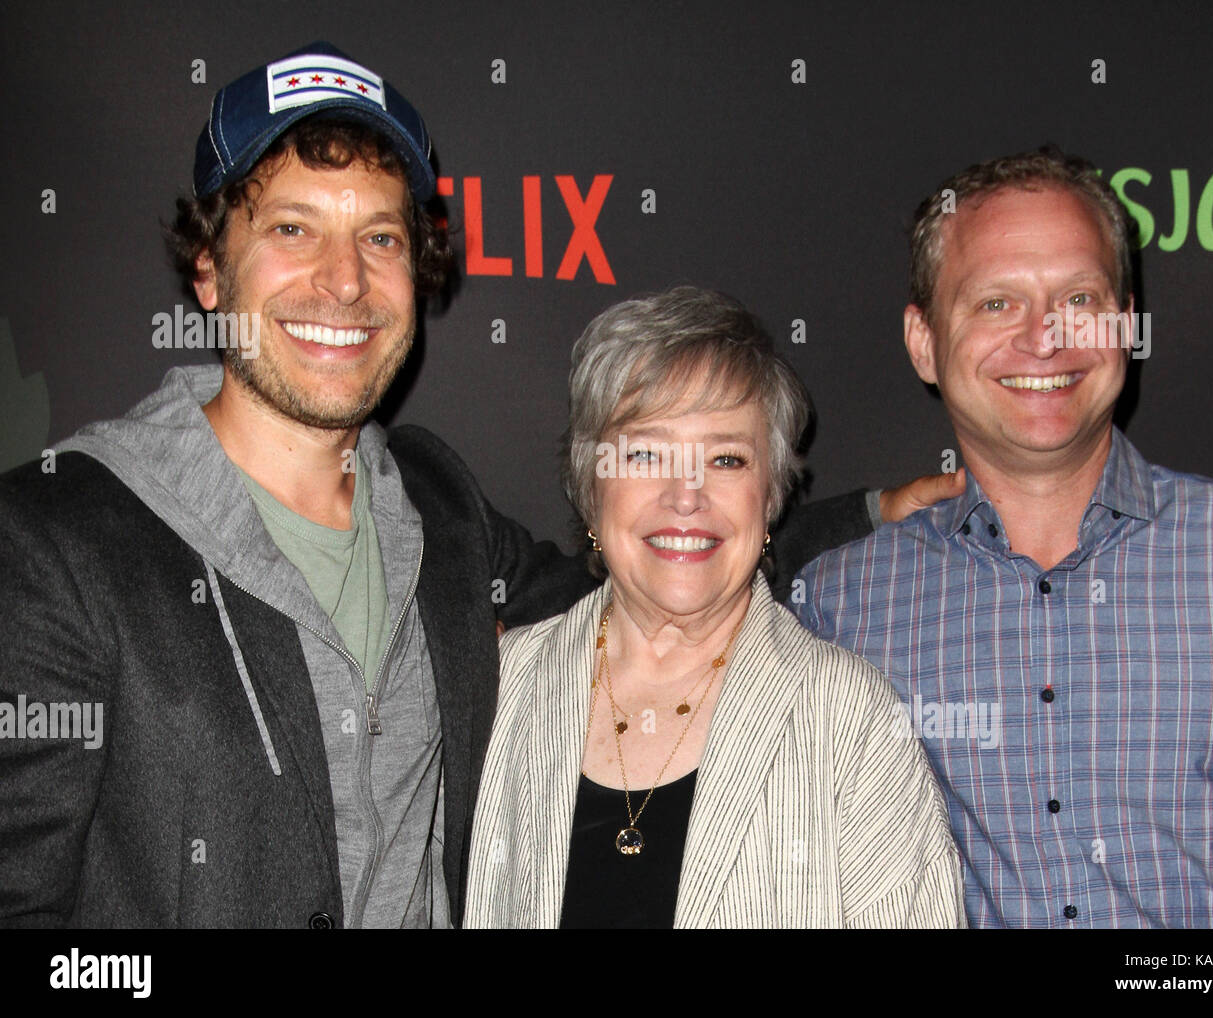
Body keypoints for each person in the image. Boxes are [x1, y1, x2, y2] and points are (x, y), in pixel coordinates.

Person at [0, 43, 956, 929]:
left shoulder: (435, 508)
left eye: (379, 238)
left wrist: (864, 516)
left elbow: (659, 569)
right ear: (209, 269)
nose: (342, 282)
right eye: (293, 227)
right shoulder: (57, 540)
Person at [793, 146, 1213, 928]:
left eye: (1079, 298)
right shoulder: (839, 604)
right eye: (997, 303)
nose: (1044, 338)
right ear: (924, 341)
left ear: (1126, 325)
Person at [464, 287, 965, 928]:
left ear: (772, 495)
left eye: (726, 458)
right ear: (591, 487)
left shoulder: (848, 718)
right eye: (645, 452)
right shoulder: (501, 687)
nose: (686, 496)